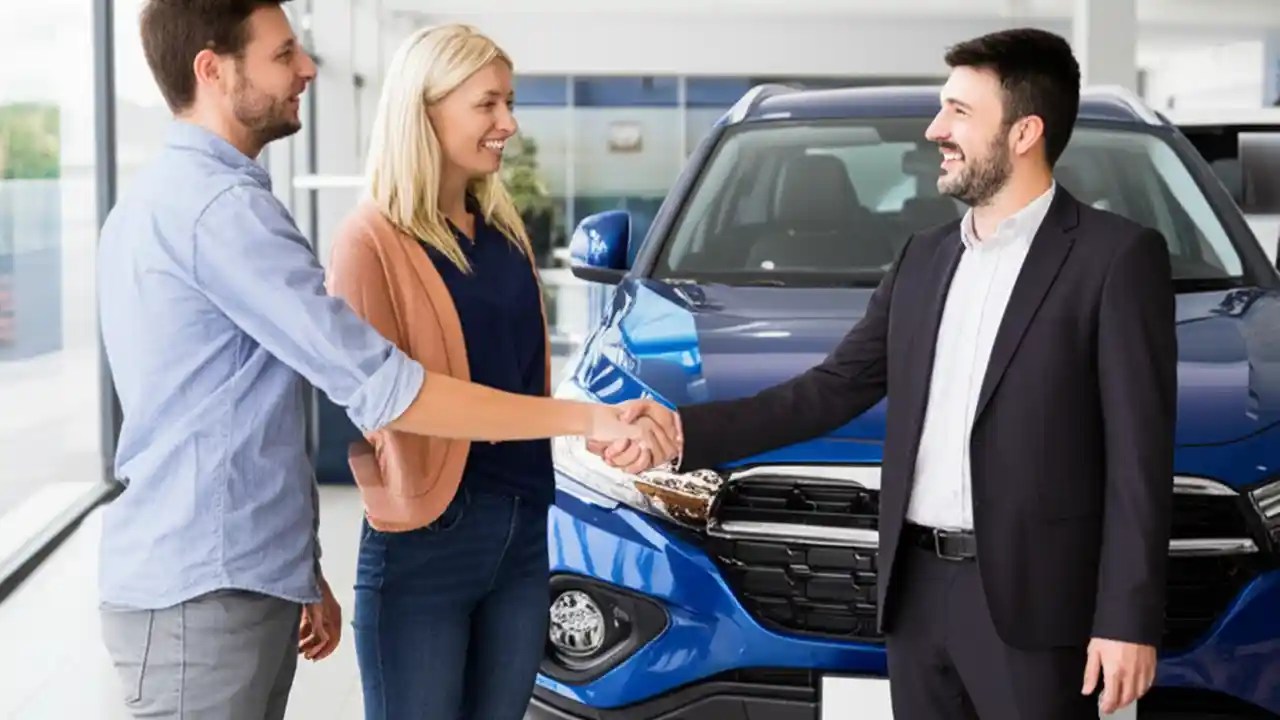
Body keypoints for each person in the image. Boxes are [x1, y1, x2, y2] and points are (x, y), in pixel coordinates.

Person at [95, 3, 673, 719]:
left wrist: (296, 570)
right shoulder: (220, 213)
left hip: (233, 574)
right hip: (204, 584)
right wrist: (590, 418)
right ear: (212, 69)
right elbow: (390, 393)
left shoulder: (173, 201)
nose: (307, 69)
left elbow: (227, 412)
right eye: (284, 55)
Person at [599, 27, 1176, 720]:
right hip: (918, 597)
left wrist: (1127, 618)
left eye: (959, 111)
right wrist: (679, 430)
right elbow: (830, 390)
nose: (936, 129)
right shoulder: (924, 259)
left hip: (1035, 607)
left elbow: (1140, 459)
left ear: (1024, 132)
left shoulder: (1115, 259)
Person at [320, 24, 668, 720]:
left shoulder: (502, 232)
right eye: (488, 104)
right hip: (426, 547)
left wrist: (602, 431)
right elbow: (397, 403)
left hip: (520, 535)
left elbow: (518, 384)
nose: (508, 123)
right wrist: (586, 420)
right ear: (426, 108)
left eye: (509, 102)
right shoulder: (371, 242)